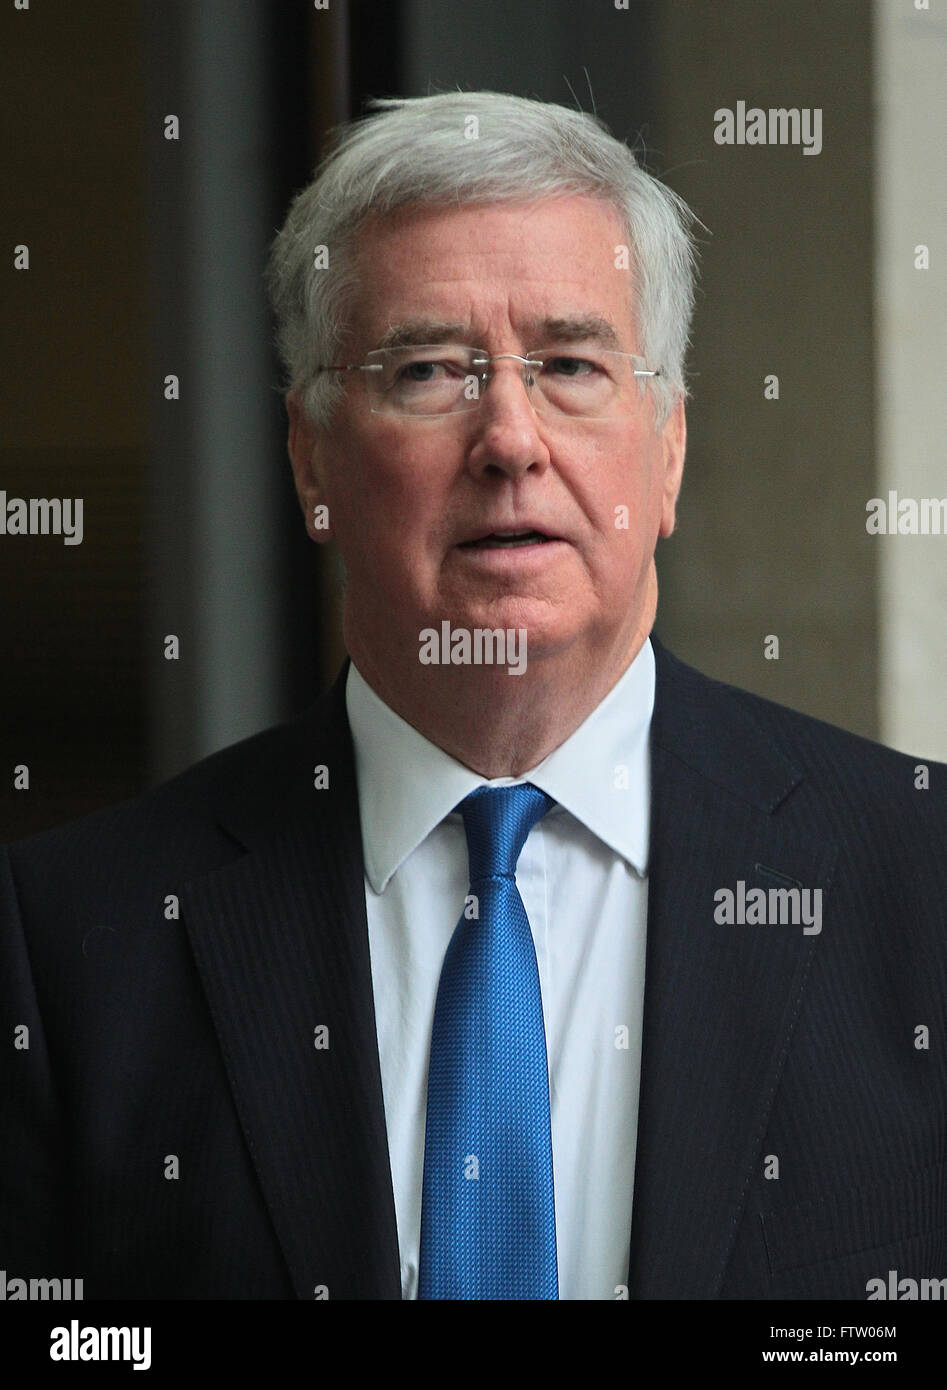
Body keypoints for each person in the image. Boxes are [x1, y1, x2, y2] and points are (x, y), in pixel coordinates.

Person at [2, 91, 945, 1302]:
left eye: (567, 363)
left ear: (665, 450)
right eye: (430, 370)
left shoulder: (917, 888)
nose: (508, 437)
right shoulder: (75, 946)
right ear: (312, 463)